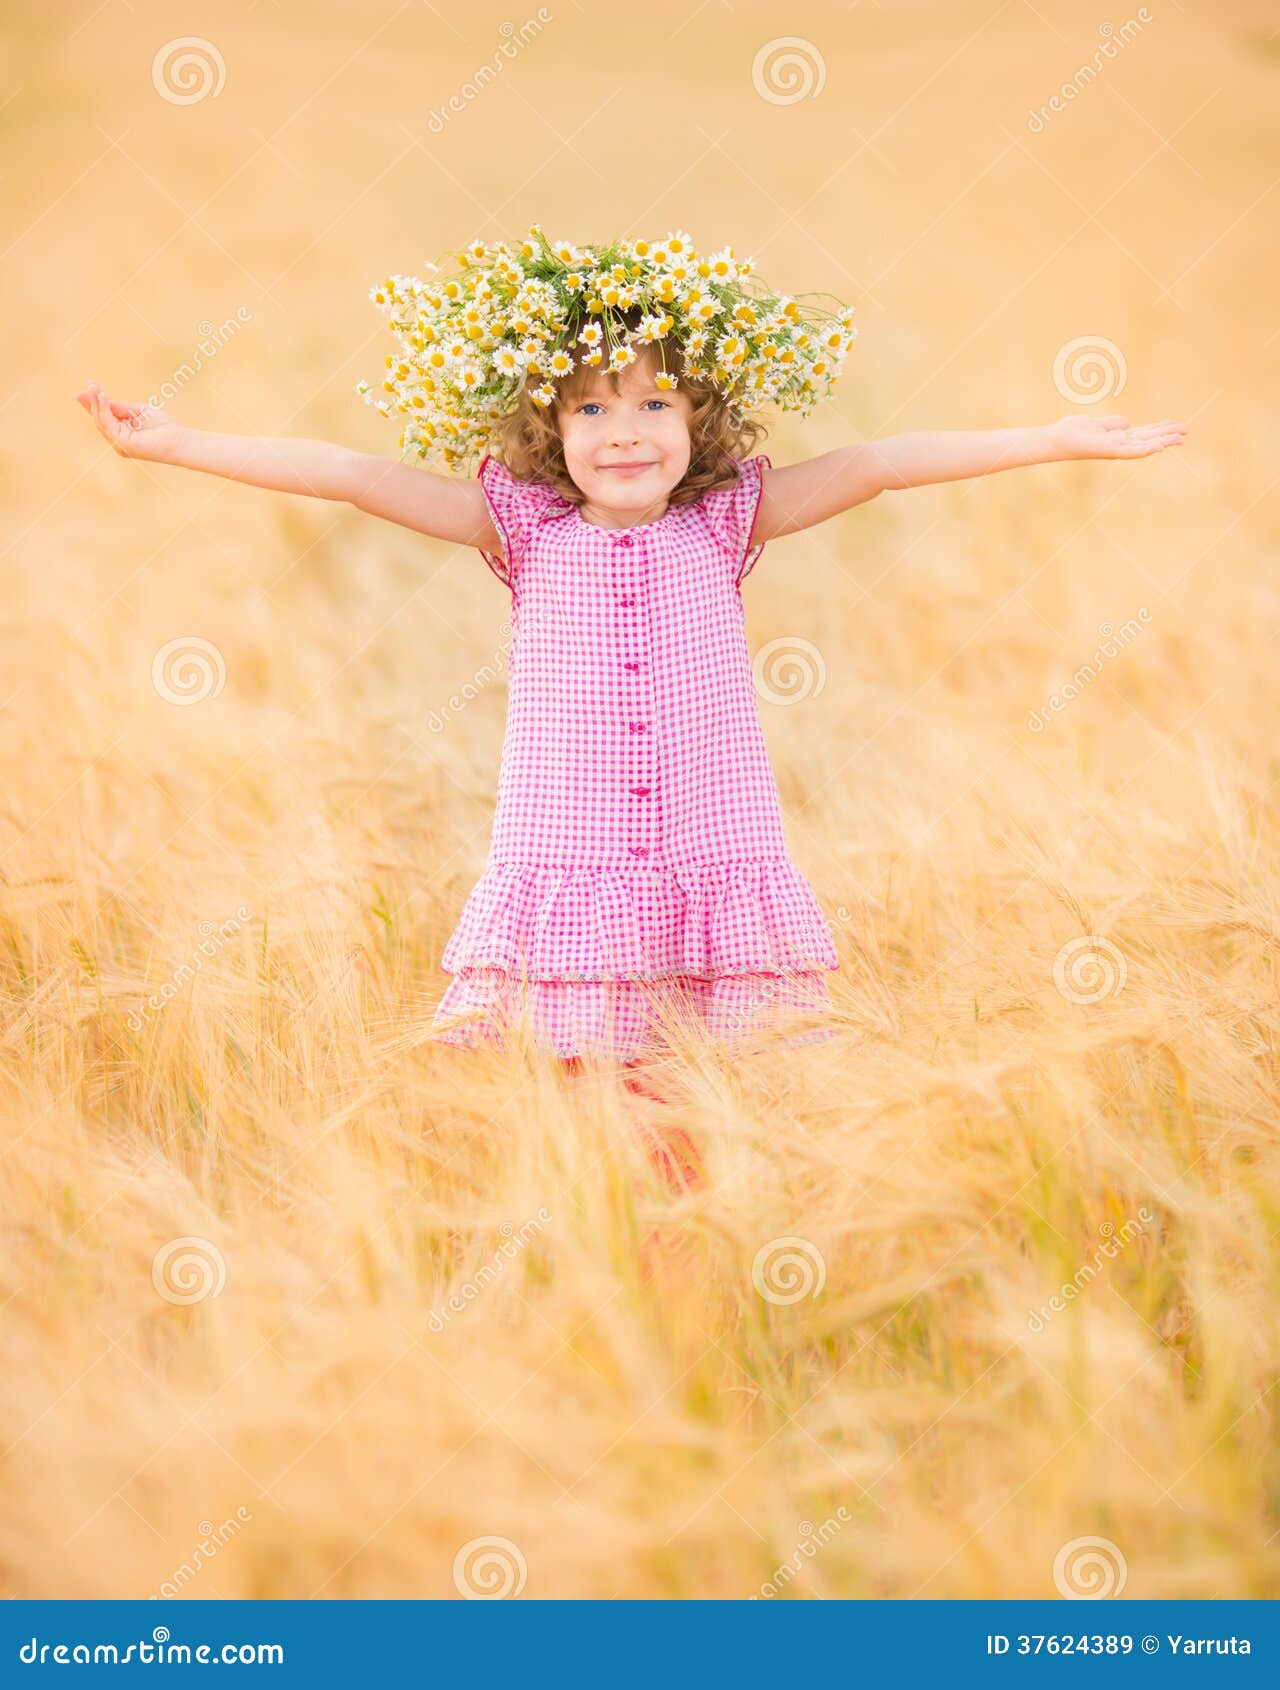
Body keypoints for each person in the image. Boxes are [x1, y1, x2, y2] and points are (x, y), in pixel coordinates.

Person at [75, 225, 1186, 1200]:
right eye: (590, 407)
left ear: (697, 424)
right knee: (572, 1100)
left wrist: (1048, 436)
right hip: (573, 862)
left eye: (655, 403)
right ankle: (573, 1243)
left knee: (700, 1104)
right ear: (546, 430)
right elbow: (347, 473)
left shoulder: (726, 525)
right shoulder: (518, 531)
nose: (623, 430)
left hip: (708, 854)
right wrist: (176, 442)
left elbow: (882, 463)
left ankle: (690, 1244)